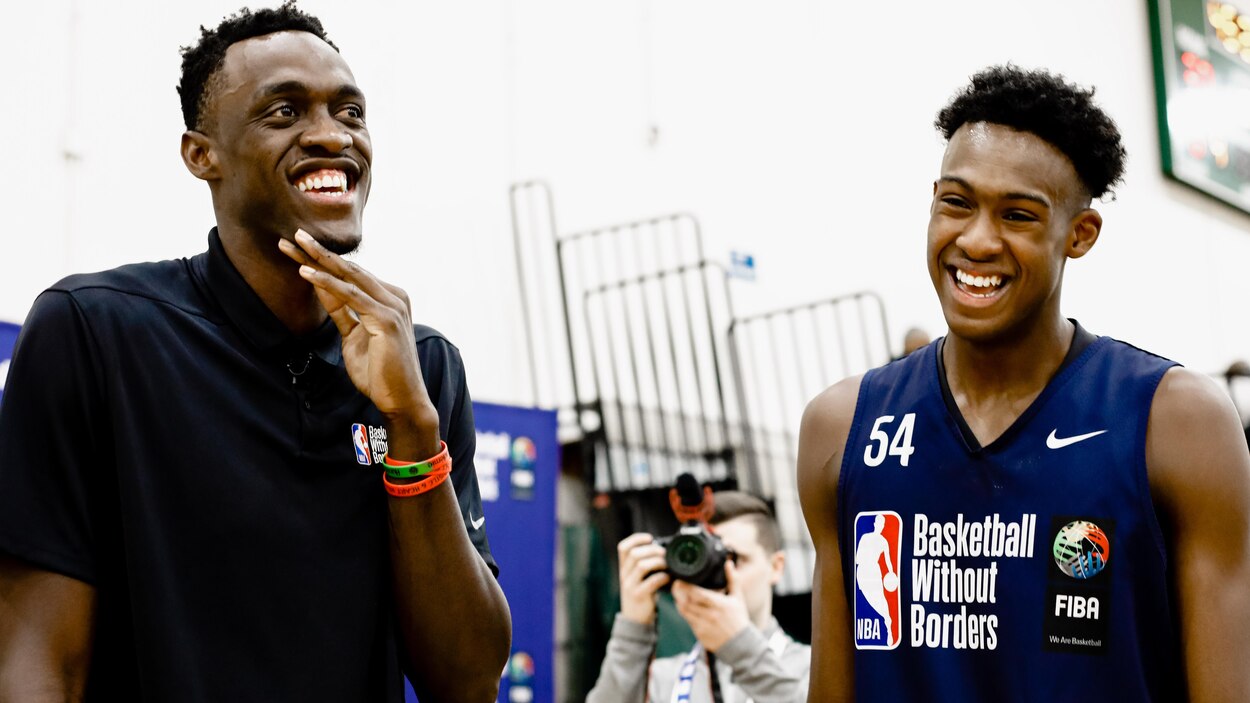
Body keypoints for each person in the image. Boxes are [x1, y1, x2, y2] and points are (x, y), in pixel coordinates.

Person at [0, 4, 510, 701]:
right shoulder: (94, 332)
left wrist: (413, 427)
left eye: (350, 112)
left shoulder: (422, 368)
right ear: (200, 154)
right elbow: (37, 659)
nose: (331, 136)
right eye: (285, 112)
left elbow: (467, 677)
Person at [797, 65, 1250, 702]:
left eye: (1017, 215)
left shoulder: (1176, 420)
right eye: (956, 203)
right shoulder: (842, 425)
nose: (976, 240)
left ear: (1079, 235)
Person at [587, 491, 810, 702]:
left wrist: (742, 648)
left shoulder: (814, 668)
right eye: (705, 560)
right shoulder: (662, 681)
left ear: (776, 567)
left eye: (731, 557)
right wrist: (633, 629)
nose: (717, 574)